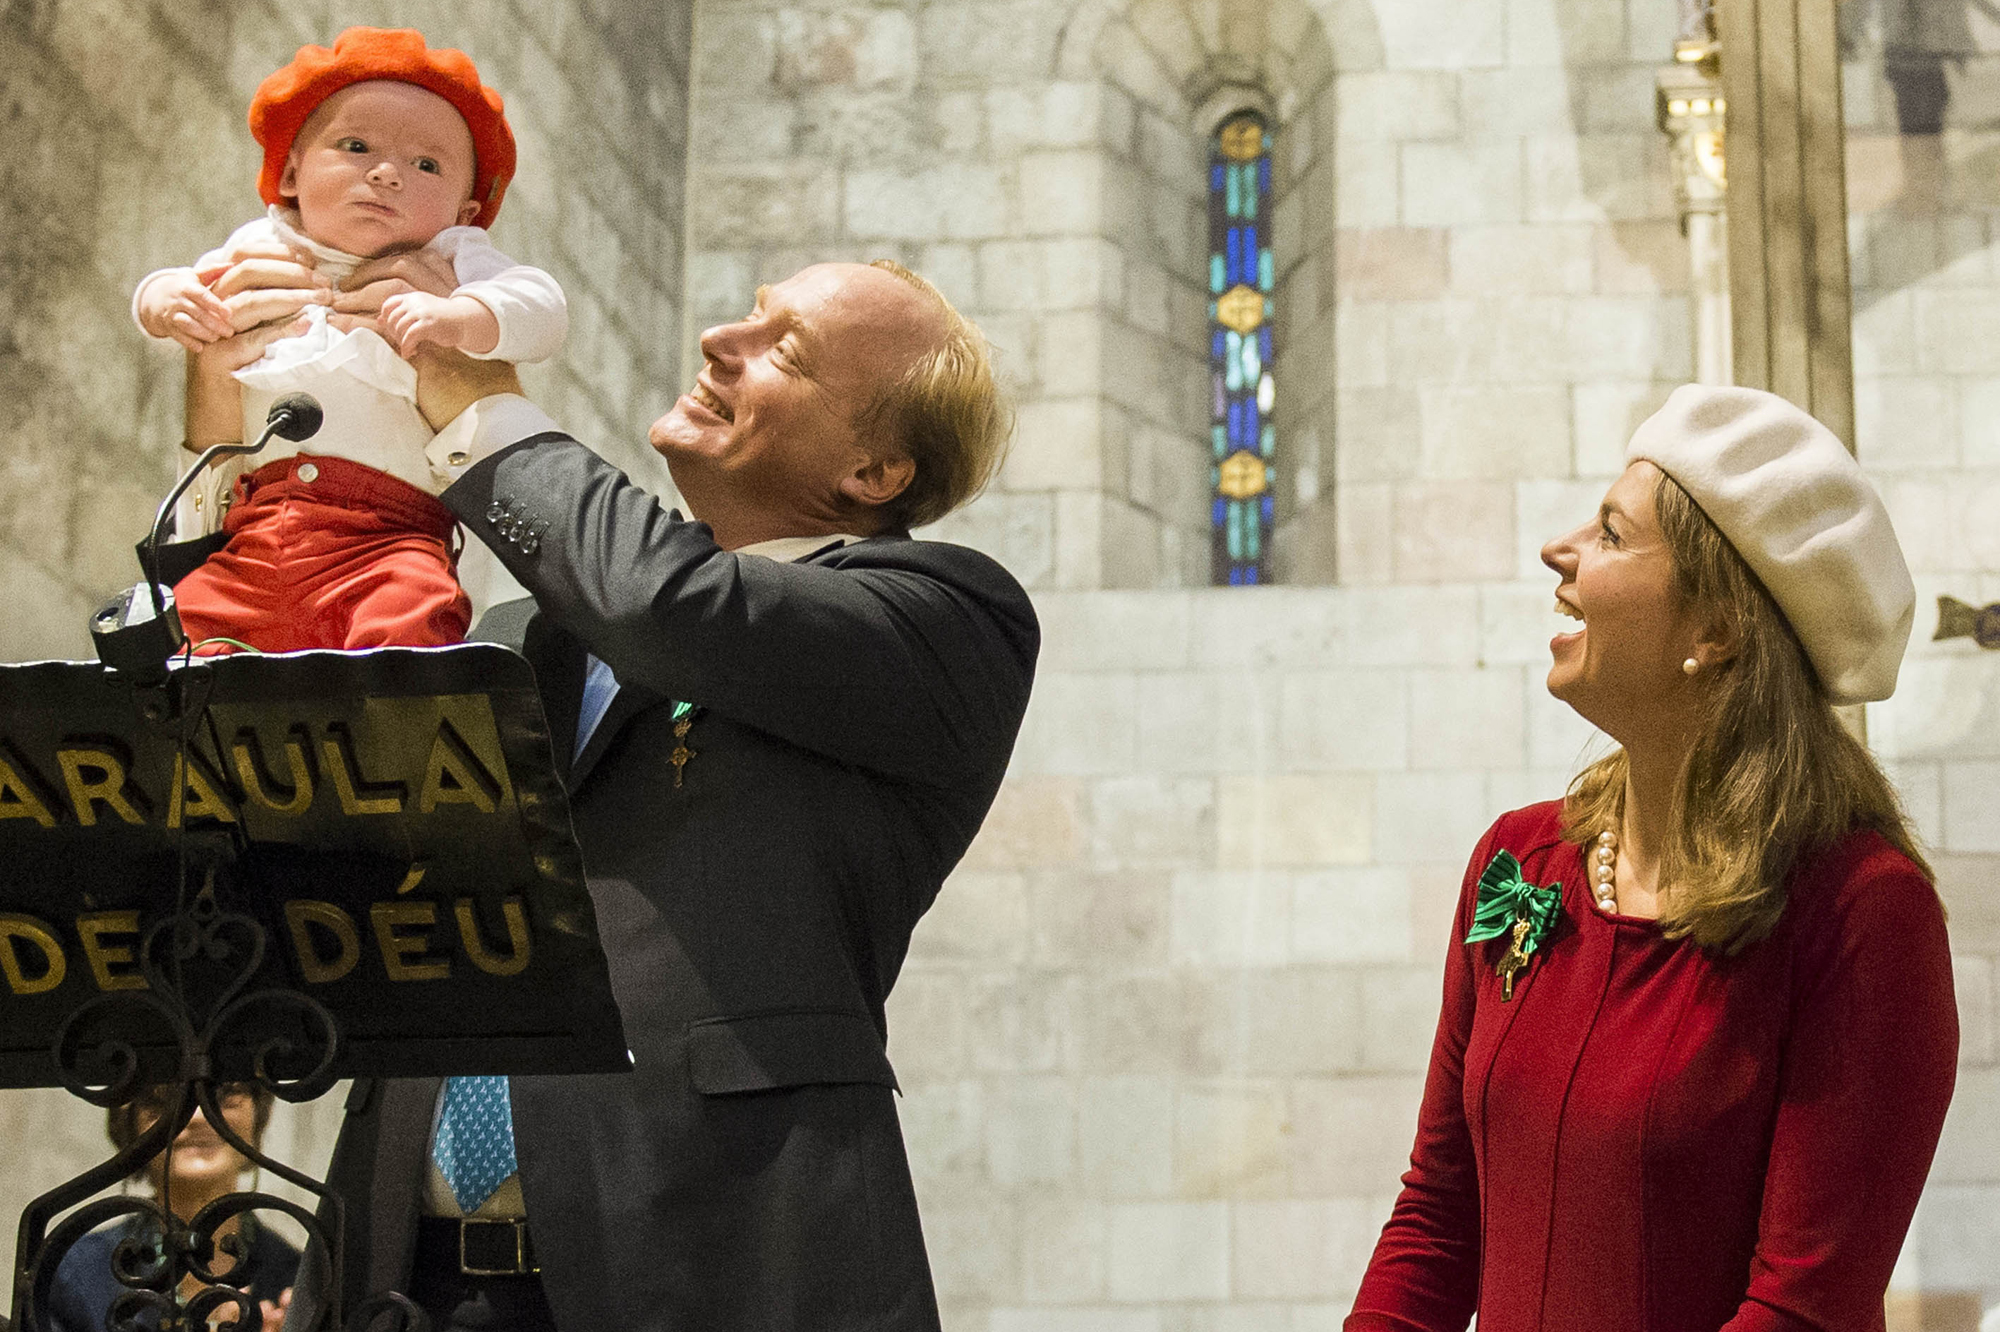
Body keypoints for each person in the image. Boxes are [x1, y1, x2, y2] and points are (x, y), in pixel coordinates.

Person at [182, 254, 1036, 1331]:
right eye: (747, 314)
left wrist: (482, 411)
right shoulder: (513, 643)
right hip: (401, 1274)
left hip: (712, 1262)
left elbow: (668, 606)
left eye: (785, 350)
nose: (720, 340)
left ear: (875, 472)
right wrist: (223, 425)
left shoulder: (940, 620)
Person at [1345, 385, 1958, 1330]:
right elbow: (1439, 1213)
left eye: (1612, 535)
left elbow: (1802, 1310)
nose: (1561, 553)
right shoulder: (1521, 858)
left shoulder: (1861, 912)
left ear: (1714, 632)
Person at [134, 27, 566, 653]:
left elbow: (543, 308)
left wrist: (464, 317)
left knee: (408, 625)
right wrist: (163, 303)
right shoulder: (264, 245)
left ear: (466, 212)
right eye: (356, 145)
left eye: (427, 164)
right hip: (256, 526)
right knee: (194, 630)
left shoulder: (452, 259)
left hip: (390, 534)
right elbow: (173, 284)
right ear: (289, 174)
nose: (388, 174)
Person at [45, 1084, 300, 1332]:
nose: (198, 1116)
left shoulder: (299, 1279)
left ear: (258, 1116)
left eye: (226, 1094)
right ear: (131, 1125)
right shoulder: (77, 1273)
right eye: (164, 1098)